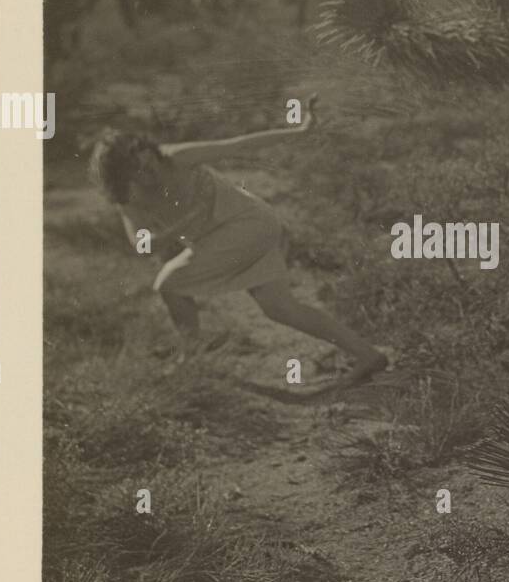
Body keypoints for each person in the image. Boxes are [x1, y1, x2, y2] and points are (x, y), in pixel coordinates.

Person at [88, 96, 388, 396]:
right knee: (281, 309)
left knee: (169, 283)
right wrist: (182, 225)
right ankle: (368, 355)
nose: (149, 173)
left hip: (249, 223)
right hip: (230, 237)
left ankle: (192, 358)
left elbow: (240, 144)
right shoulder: (129, 199)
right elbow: (142, 246)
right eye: (138, 171)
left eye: (148, 162)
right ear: (121, 178)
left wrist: (300, 131)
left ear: (151, 152)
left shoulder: (176, 157)